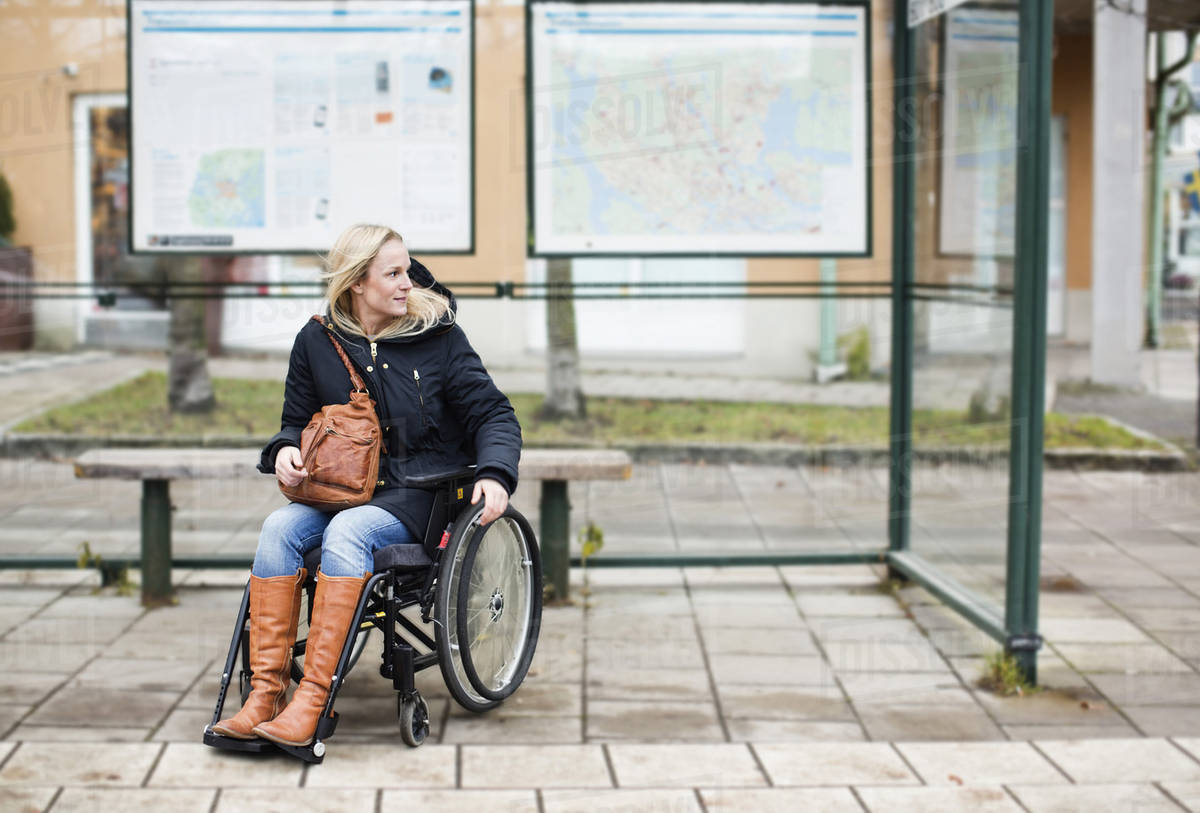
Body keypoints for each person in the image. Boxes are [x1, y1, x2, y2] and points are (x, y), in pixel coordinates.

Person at [213, 223, 521, 747]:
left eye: (407, 271)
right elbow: (295, 423)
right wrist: (285, 452)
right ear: (357, 282)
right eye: (393, 274)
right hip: (336, 489)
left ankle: (313, 701)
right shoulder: (318, 339)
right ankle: (265, 694)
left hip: (419, 494)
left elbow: (493, 413)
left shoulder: (439, 338)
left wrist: (495, 473)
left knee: (348, 533)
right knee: (277, 530)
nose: (408, 284)